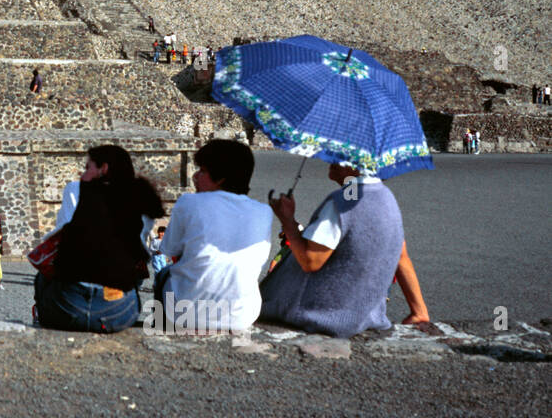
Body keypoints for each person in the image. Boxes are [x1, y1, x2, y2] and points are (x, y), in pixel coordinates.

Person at [261, 161, 430, 338]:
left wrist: (287, 220)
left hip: (321, 313)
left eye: (341, 157)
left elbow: (311, 261)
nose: (332, 161)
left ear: (357, 165)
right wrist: (419, 311)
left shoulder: (342, 202)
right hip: (366, 315)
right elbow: (401, 256)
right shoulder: (386, 197)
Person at [33, 145, 165, 333]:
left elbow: (62, 234)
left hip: (68, 307)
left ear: (104, 168)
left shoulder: (75, 189)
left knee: (42, 276)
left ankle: (41, 314)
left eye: (88, 168)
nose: (83, 174)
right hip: (120, 312)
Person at [151, 140, 273, 334]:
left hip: (185, 314)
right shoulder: (264, 211)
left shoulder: (189, 202)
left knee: (164, 273)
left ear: (221, 177)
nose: (195, 176)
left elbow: (169, 249)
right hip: (242, 316)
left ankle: (161, 329)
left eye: (202, 171)